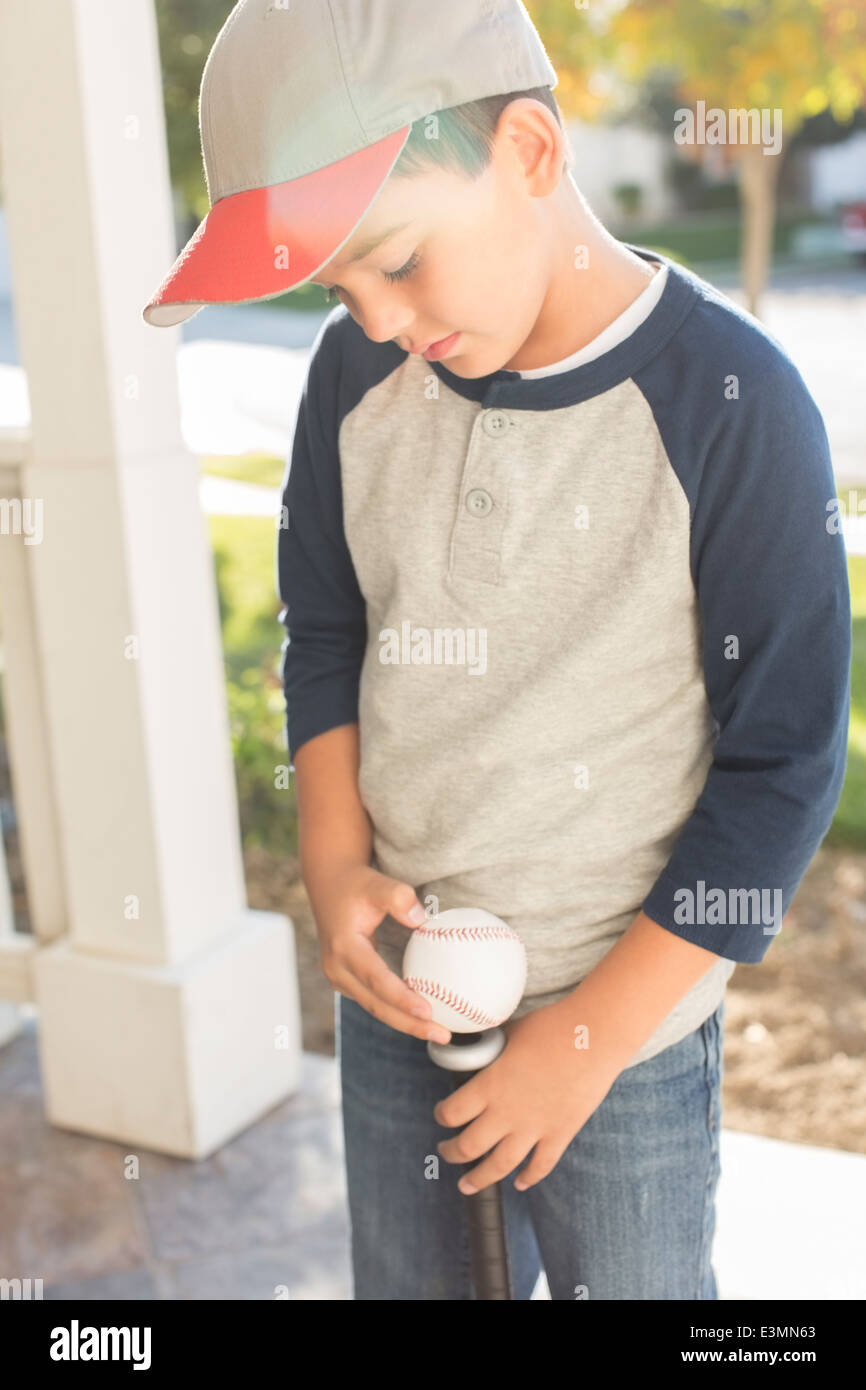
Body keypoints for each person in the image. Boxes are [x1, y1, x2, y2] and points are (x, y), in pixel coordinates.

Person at [143, 0, 852, 1300]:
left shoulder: (731, 408)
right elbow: (328, 629)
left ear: (530, 152)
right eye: (335, 285)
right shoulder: (355, 381)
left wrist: (584, 1038)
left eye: (398, 260)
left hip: (620, 1033)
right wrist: (335, 864)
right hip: (402, 998)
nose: (368, 317)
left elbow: (784, 770)